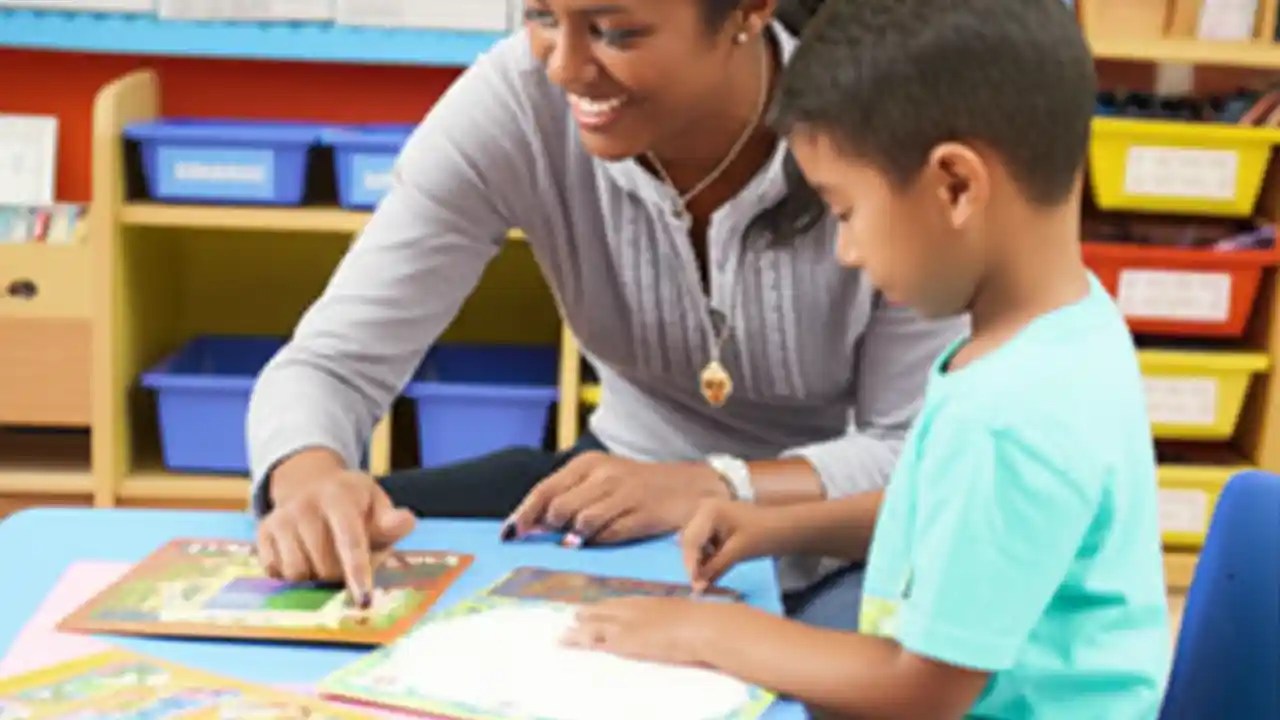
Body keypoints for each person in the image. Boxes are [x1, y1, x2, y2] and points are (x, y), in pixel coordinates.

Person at [246, 0, 963, 624]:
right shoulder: (517, 103)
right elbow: (332, 362)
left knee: (842, 681)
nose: (563, 66)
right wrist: (309, 480)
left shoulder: (884, 129)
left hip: (840, 533)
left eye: (615, 32)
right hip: (612, 493)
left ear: (749, 10)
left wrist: (715, 484)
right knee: (315, 562)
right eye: (540, 16)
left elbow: (918, 453)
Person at [563, 0, 1174, 717]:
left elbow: (922, 689)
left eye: (845, 211)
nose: (846, 251)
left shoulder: (1008, 411)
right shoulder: (1067, 329)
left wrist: (710, 631)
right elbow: (952, 520)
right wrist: (780, 524)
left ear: (955, 186)